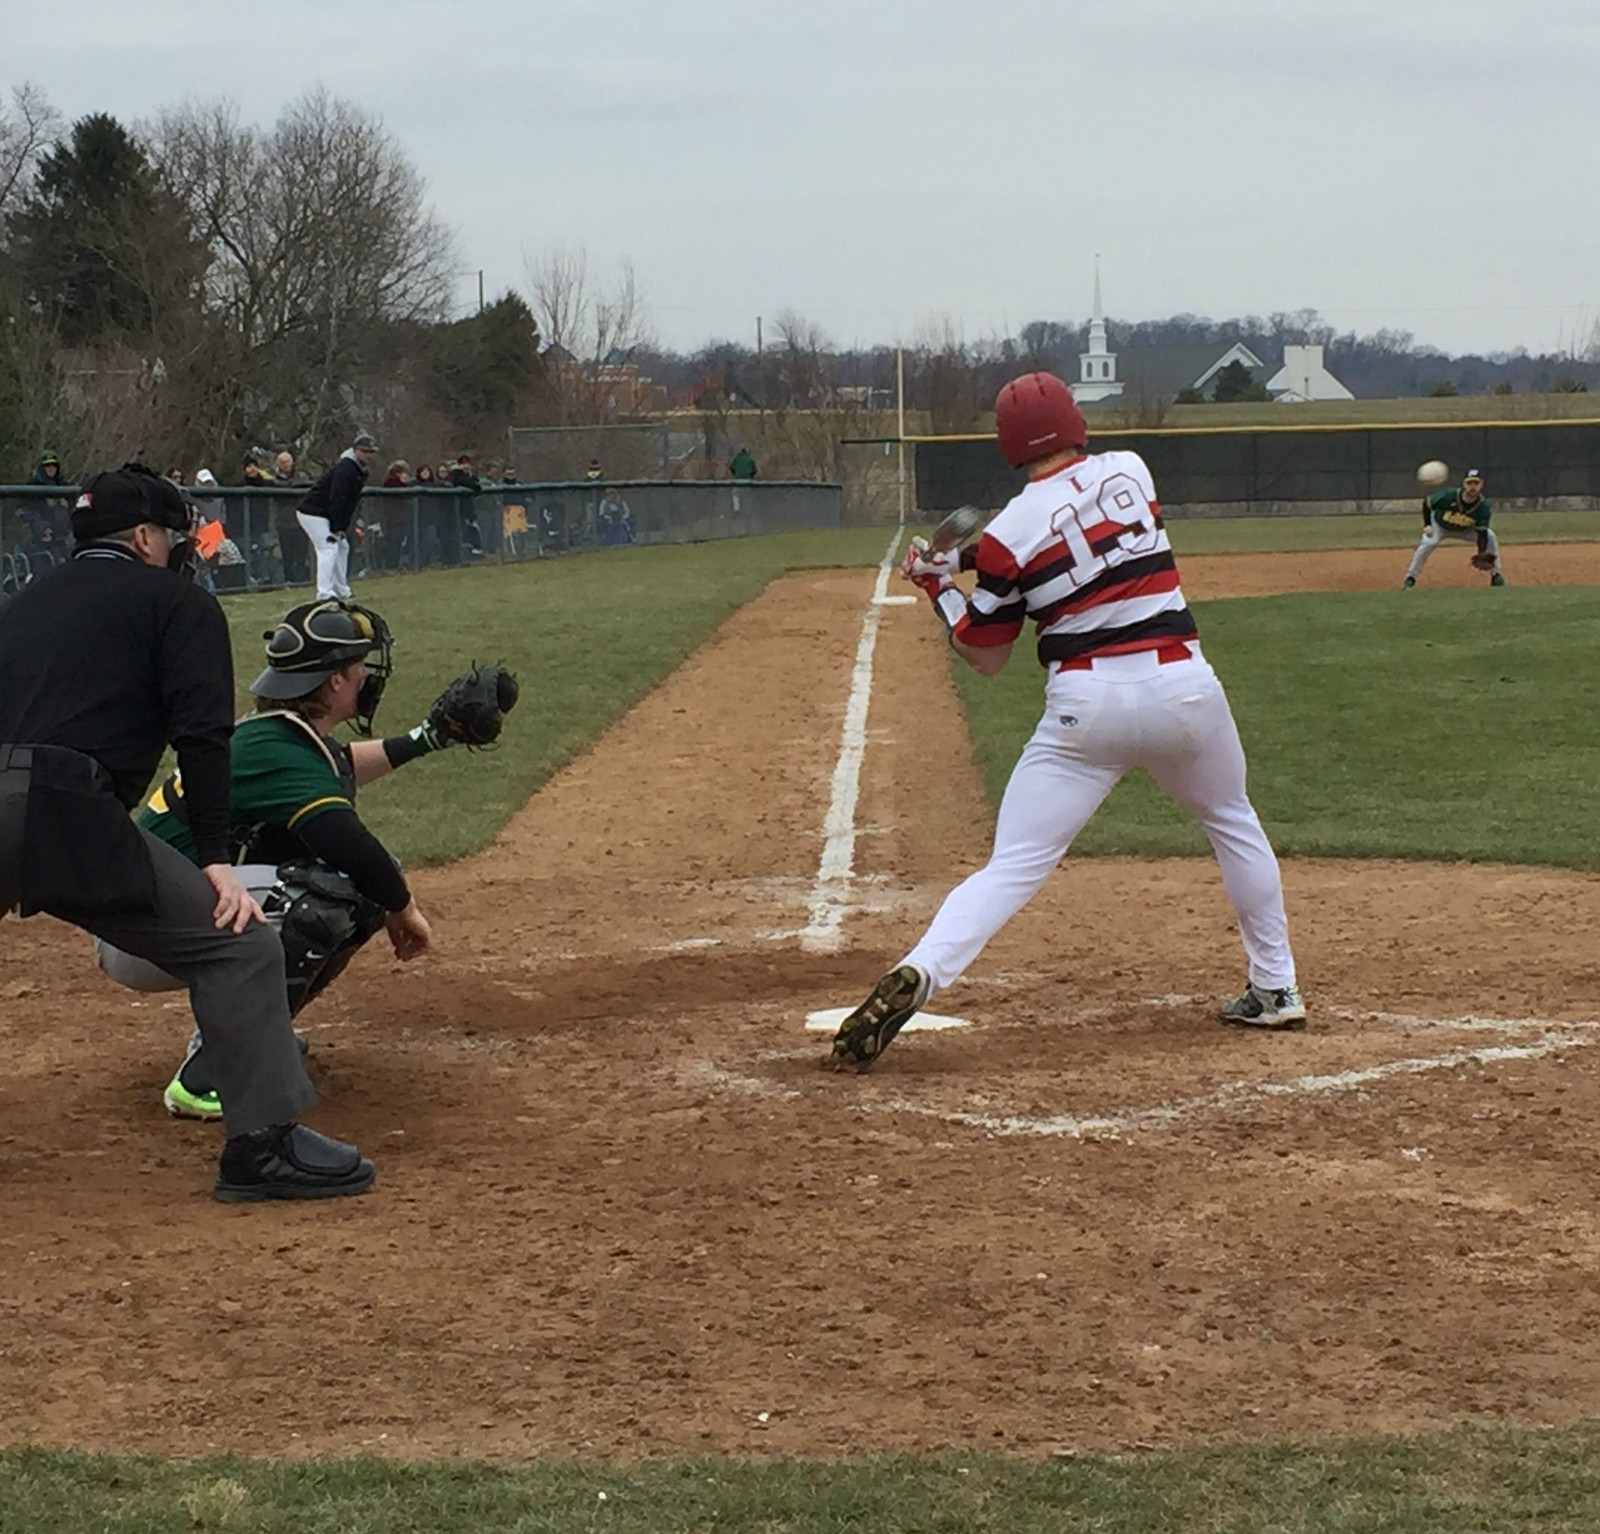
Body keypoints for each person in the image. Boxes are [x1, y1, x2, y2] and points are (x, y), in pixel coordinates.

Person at [829, 371, 1305, 1072]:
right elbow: (1082, 535)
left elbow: (984, 653)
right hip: (1184, 689)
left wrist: (940, 586)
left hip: (1088, 709)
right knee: (1232, 817)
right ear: (1074, 422)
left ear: (1008, 444)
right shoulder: (1131, 471)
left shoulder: (1009, 537)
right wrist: (960, 560)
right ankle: (1275, 985)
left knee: (1015, 864)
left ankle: (924, 970)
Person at [0, 463, 376, 1200]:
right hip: (69, 809)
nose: (179, 548)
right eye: (171, 534)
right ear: (144, 536)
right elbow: (205, 738)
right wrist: (213, 859)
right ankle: (261, 1148)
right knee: (239, 946)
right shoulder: (176, 604)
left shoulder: (22, 604)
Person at [92, 598, 442, 1121]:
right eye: (359, 668)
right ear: (335, 682)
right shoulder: (275, 750)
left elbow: (341, 768)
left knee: (355, 883)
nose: (368, 678)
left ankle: (256, 1039)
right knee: (336, 892)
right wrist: (403, 905)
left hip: (156, 912)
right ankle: (208, 1072)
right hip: (140, 930)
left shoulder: (279, 736)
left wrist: (429, 737)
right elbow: (348, 842)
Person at [297, 431, 377, 599]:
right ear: (355, 450)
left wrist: (340, 527)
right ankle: (324, 592)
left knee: (342, 546)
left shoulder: (358, 469)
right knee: (328, 547)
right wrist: (336, 527)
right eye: (365, 451)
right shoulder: (345, 467)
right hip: (312, 512)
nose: (368, 455)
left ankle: (341, 589)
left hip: (324, 513)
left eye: (371, 452)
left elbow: (348, 502)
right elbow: (337, 498)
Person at [1402, 468, 1505, 588]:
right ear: (1464, 484)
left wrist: (1481, 553)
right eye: (1469, 483)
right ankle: (1410, 577)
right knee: (1429, 543)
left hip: (1464, 530)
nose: (1472, 487)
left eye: (1476, 483)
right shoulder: (1449, 495)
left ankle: (1496, 575)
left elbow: (1482, 532)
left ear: (1481, 485)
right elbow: (1427, 503)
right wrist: (1427, 524)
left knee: (1490, 536)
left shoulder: (1483, 506)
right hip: (1440, 525)